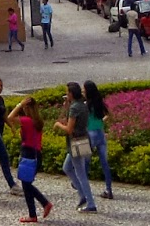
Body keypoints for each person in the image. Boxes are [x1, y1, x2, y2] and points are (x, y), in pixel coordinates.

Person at [56, 81, 97, 212]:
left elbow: (69, 129)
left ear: (71, 94)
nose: (66, 95)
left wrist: (58, 125)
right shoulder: (81, 105)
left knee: (80, 173)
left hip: (76, 142)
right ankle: (82, 195)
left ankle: (90, 202)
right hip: (84, 139)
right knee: (67, 167)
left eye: (67, 93)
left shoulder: (75, 108)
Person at [11, 96, 52, 223]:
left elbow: (9, 117)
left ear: (27, 108)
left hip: (28, 154)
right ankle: (34, 213)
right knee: (26, 184)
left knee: (26, 185)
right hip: (36, 154)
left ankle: (43, 204)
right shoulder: (38, 121)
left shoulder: (27, 121)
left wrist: (19, 104)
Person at [82, 80, 113, 200]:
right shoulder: (99, 102)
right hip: (100, 133)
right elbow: (108, 115)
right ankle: (108, 189)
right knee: (105, 163)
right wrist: (100, 122)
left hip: (90, 134)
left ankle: (82, 186)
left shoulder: (86, 105)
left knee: (85, 162)